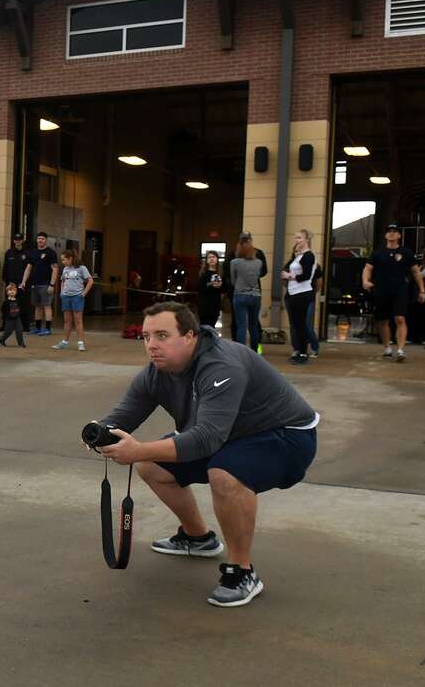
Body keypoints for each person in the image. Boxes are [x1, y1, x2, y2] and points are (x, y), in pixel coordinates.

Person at [97, 301, 318, 607]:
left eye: (162, 335)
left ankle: (241, 571)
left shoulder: (221, 365)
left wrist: (137, 449)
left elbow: (206, 439)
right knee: (150, 465)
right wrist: (100, 431)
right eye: (147, 337)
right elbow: (123, 415)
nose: (152, 345)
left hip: (286, 435)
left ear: (190, 336)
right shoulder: (157, 371)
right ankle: (198, 537)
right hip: (229, 435)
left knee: (225, 474)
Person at [362, 223, 425, 362]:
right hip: (381, 290)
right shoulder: (377, 252)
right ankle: (387, 347)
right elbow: (367, 268)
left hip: (400, 290)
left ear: (399, 235)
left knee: (400, 319)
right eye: (389, 231)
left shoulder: (406, 252)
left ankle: (401, 350)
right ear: (385, 235)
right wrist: (365, 281)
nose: (391, 233)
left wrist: (422, 290)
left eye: (394, 231)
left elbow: (416, 272)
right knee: (382, 320)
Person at [281, 230, 316, 365]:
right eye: (295, 238)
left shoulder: (308, 256)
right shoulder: (298, 256)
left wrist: (289, 276)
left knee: (301, 325)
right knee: (296, 324)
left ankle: (303, 352)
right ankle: (299, 351)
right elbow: (287, 267)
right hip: (294, 293)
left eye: (300, 238)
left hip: (302, 293)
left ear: (306, 239)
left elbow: (306, 276)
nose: (297, 240)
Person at [52, 249, 93, 351]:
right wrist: (62, 292)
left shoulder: (81, 268)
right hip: (66, 296)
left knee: (78, 320)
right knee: (67, 320)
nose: (63, 262)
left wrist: (83, 294)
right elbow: (63, 280)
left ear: (70, 258)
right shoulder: (65, 269)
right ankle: (64, 342)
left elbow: (90, 281)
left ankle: (81, 343)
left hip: (77, 297)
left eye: (64, 260)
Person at [230, 235, 264, 352]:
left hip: (240, 295)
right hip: (255, 296)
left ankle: (241, 352)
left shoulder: (234, 262)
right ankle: (254, 351)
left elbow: (233, 280)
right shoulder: (258, 263)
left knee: (241, 326)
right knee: (253, 325)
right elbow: (258, 276)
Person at [22, 231, 58, 336]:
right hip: (34, 284)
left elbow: (55, 269)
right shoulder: (32, 252)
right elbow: (28, 268)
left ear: (46, 240)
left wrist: (52, 284)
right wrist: (24, 281)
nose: (40, 240)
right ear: (36, 240)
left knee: (46, 306)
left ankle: (47, 328)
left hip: (46, 284)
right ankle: (37, 328)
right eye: (38, 238)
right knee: (37, 306)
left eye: (42, 238)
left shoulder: (51, 253)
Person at [1, 234, 31, 331]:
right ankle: (6, 325)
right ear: (13, 241)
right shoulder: (9, 253)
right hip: (10, 284)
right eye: (16, 240)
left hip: (22, 284)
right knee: (8, 305)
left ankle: (24, 326)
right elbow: (5, 268)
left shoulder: (27, 253)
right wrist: (6, 281)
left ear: (22, 241)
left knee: (23, 304)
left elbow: (30, 269)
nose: (17, 241)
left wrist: (26, 282)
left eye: (19, 240)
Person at [196, 250, 224, 328]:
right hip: (205, 306)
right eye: (209, 257)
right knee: (205, 329)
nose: (212, 259)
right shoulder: (203, 274)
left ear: (217, 259)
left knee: (212, 328)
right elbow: (200, 289)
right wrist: (211, 285)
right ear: (207, 260)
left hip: (215, 306)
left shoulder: (220, 274)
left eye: (214, 257)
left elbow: (223, 290)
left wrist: (220, 286)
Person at [0, 283, 26, 347]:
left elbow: (20, 308)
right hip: (9, 319)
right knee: (8, 331)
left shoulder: (17, 300)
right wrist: (5, 317)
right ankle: (1, 339)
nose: (12, 291)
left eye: (13, 290)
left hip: (17, 318)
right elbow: (3, 310)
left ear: (16, 292)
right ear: (7, 292)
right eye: (10, 290)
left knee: (19, 330)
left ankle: (21, 343)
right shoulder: (6, 302)